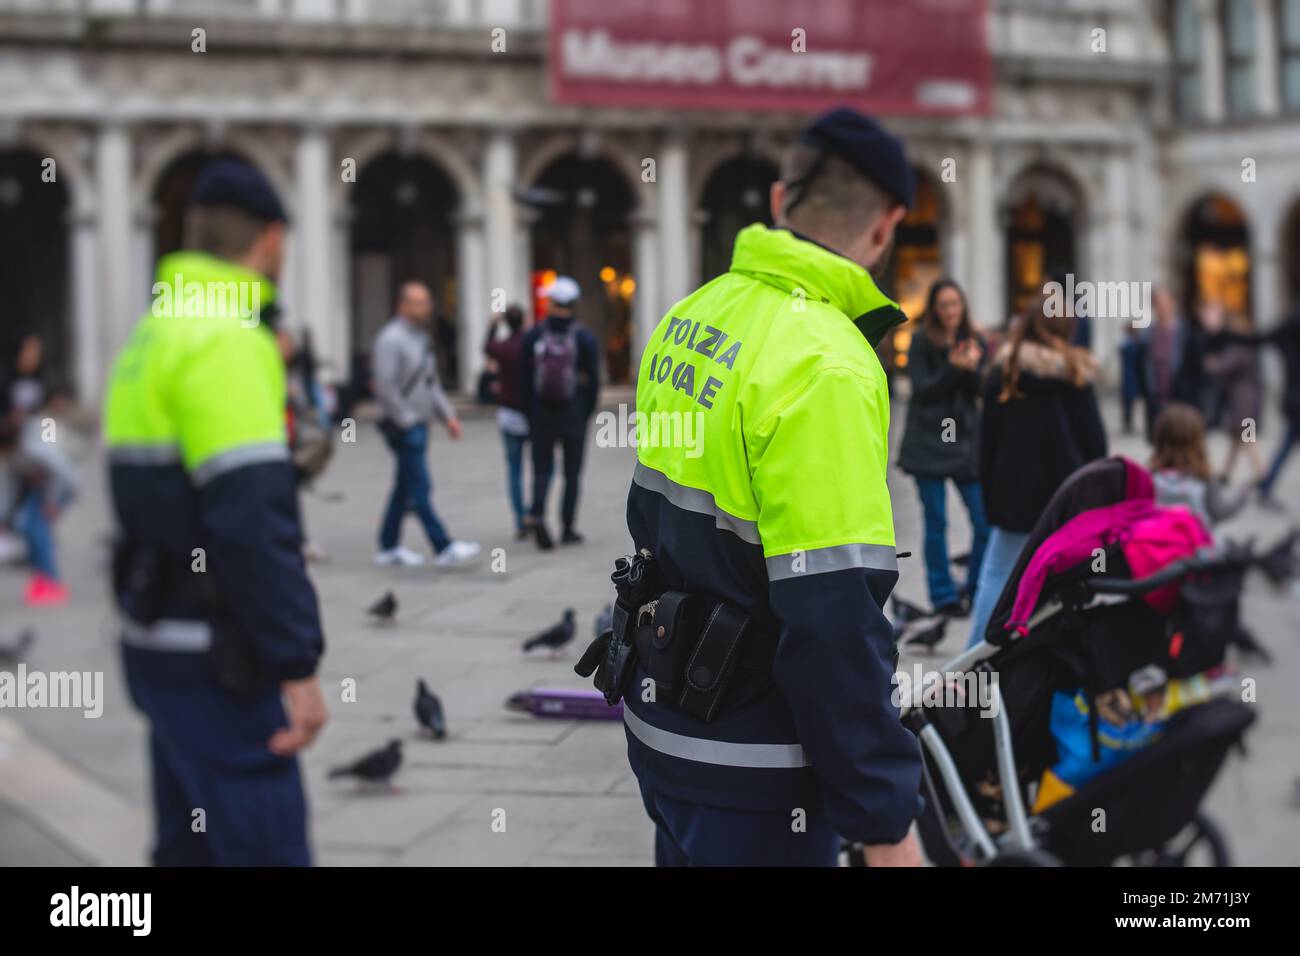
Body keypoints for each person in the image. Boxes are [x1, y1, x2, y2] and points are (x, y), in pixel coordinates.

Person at [597, 108, 924, 866]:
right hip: (759, 768)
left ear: (780, 201)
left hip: (664, 730)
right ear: (888, 225)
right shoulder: (827, 365)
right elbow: (833, 614)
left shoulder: (690, 317)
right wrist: (884, 821)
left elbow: (656, 519)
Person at [103, 158, 327, 865]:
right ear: (268, 240)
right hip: (218, 655)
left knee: (186, 849)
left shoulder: (152, 336)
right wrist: (296, 665)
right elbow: (253, 522)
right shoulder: (229, 340)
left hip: (154, 639)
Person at [968, 293, 1107, 647]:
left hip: (1013, 497)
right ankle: (1046, 653)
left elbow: (987, 445)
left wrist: (989, 496)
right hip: (1065, 499)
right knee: (1059, 579)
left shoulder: (1004, 373)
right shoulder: (1074, 374)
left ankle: (975, 658)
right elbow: (1096, 445)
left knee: (997, 574)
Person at [896, 278, 988, 617]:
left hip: (964, 444)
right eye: (944, 305)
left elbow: (982, 390)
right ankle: (943, 595)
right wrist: (953, 368)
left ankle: (975, 588)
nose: (951, 311)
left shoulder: (974, 339)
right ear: (934, 309)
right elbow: (922, 390)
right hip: (929, 444)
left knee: (984, 522)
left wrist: (974, 367)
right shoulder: (921, 341)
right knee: (936, 523)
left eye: (956, 304)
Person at [371, 281, 480, 568]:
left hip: (421, 423)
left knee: (405, 486)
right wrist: (406, 419)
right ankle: (443, 546)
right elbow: (385, 386)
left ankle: (388, 546)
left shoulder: (420, 338)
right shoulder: (391, 339)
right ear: (403, 305)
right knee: (420, 486)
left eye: (427, 302)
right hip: (406, 426)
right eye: (420, 302)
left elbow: (430, 383)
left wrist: (448, 415)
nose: (426, 308)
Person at [520, 276, 599, 550]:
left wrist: (530, 412)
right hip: (573, 412)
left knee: (542, 469)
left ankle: (538, 514)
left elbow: (524, 378)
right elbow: (594, 381)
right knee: (572, 472)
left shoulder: (534, 335)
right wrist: (585, 411)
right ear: (574, 304)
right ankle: (567, 528)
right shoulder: (584, 336)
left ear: (552, 303)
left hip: (542, 413)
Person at [1150, 403, 1246, 529]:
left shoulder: (1149, 477)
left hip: (1158, 544)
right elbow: (1220, 511)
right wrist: (1242, 497)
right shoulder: (1204, 478)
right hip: (1198, 547)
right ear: (1198, 441)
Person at [484, 304, 531, 539]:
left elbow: (486, 347)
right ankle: (534, 511)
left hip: (508, 414)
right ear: (523, 321)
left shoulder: (502, 347)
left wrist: (493, 326)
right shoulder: (530, 344)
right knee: (543, 467)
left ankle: (520, 517)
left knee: (514, 469)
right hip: (532, 414)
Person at [1203, 310, 1265, 484]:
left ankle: (1263, 474)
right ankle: (1226, 473)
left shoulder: (1239, 347)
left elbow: (1224, 366)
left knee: (1247, 439)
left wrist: (1211, 364)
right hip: (1245, 399)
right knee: (1237, 439)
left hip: (1243, 401)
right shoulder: (1247, 346)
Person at [1142, 288, 1185, 439]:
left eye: (1164, 303)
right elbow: (1143, 366)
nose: (1162, 307)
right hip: (1156, 398)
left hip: (1180, 398)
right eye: (1158, 303)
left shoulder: (1185, 332)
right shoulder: (1147, 334)